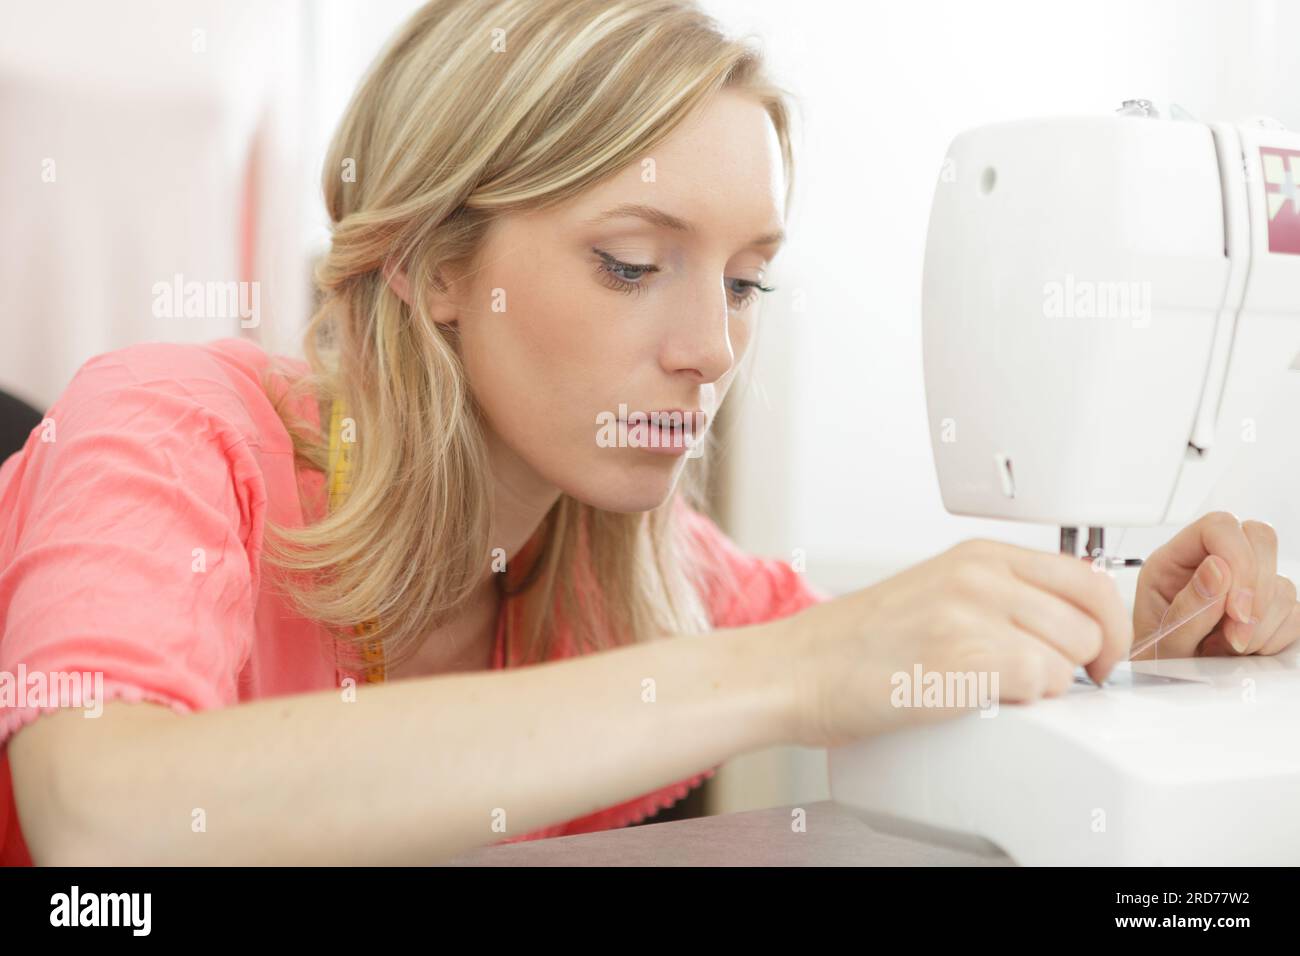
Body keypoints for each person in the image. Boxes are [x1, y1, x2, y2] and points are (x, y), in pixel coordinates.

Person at [2, 0, 1296, 866]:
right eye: (633, 264)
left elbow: (912, 660)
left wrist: (1134, 627)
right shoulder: (170, 430)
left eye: (744, 283)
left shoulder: (636, 564)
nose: (713, 350)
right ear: (434, 266)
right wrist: (790, 670)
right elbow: (101, 812)